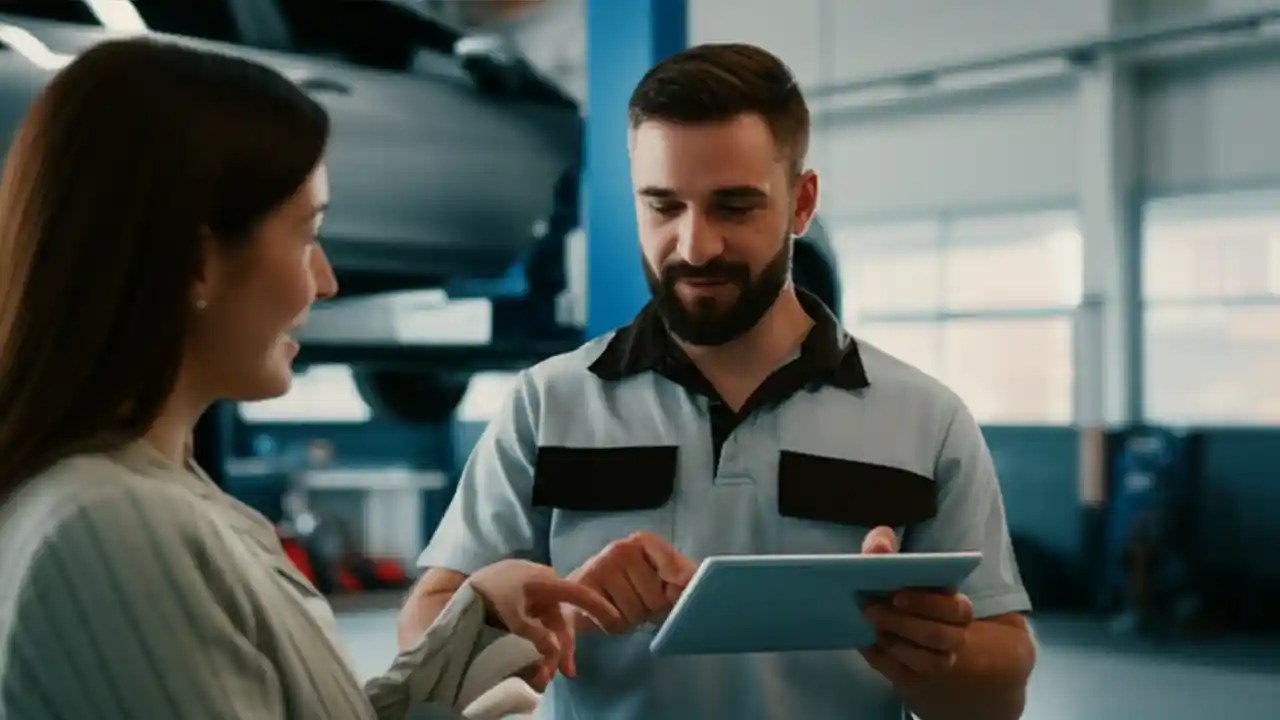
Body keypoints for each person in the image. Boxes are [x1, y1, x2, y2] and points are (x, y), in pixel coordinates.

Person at [400, 42, 1037, 719]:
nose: (696, 245)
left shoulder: (924, 419)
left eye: (734, 208)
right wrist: (550, 615)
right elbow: (423, 643)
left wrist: (932, 648)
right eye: (664, 207)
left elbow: (1000, 692)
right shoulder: (546, 404)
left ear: (801, 202)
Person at [0, 38, 622, 720]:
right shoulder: (116, 529)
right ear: (196, 263)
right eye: (306, 235)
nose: (325, 282)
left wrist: (471, 634)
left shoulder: (159, 498)